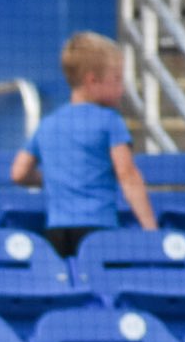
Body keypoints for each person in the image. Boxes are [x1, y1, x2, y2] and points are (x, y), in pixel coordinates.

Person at [10, 31, 157, 258]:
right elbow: (128, 175)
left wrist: (55, 176)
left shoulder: (48, 124)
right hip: (99, 233)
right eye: (117, 79)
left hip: (56, 235)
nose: (122, 88)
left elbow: (19, 174)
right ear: (92, 80)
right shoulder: (110, 121)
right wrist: (151, 230)